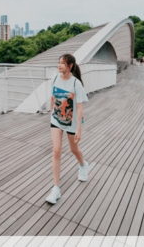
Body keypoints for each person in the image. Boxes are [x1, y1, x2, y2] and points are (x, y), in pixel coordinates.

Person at [45, 54, 89, 204]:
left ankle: (83, 165)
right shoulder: (55, 79)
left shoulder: (76, 83)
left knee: (73, 149)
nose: (59, 66)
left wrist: (79, 130)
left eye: (62, 63)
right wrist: (51, 113)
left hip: (72, 123)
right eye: (58, 63)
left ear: (70, 66)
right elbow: (52, 97)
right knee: (56, 150)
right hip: (56, 120)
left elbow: (79, 107)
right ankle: (56, 189)